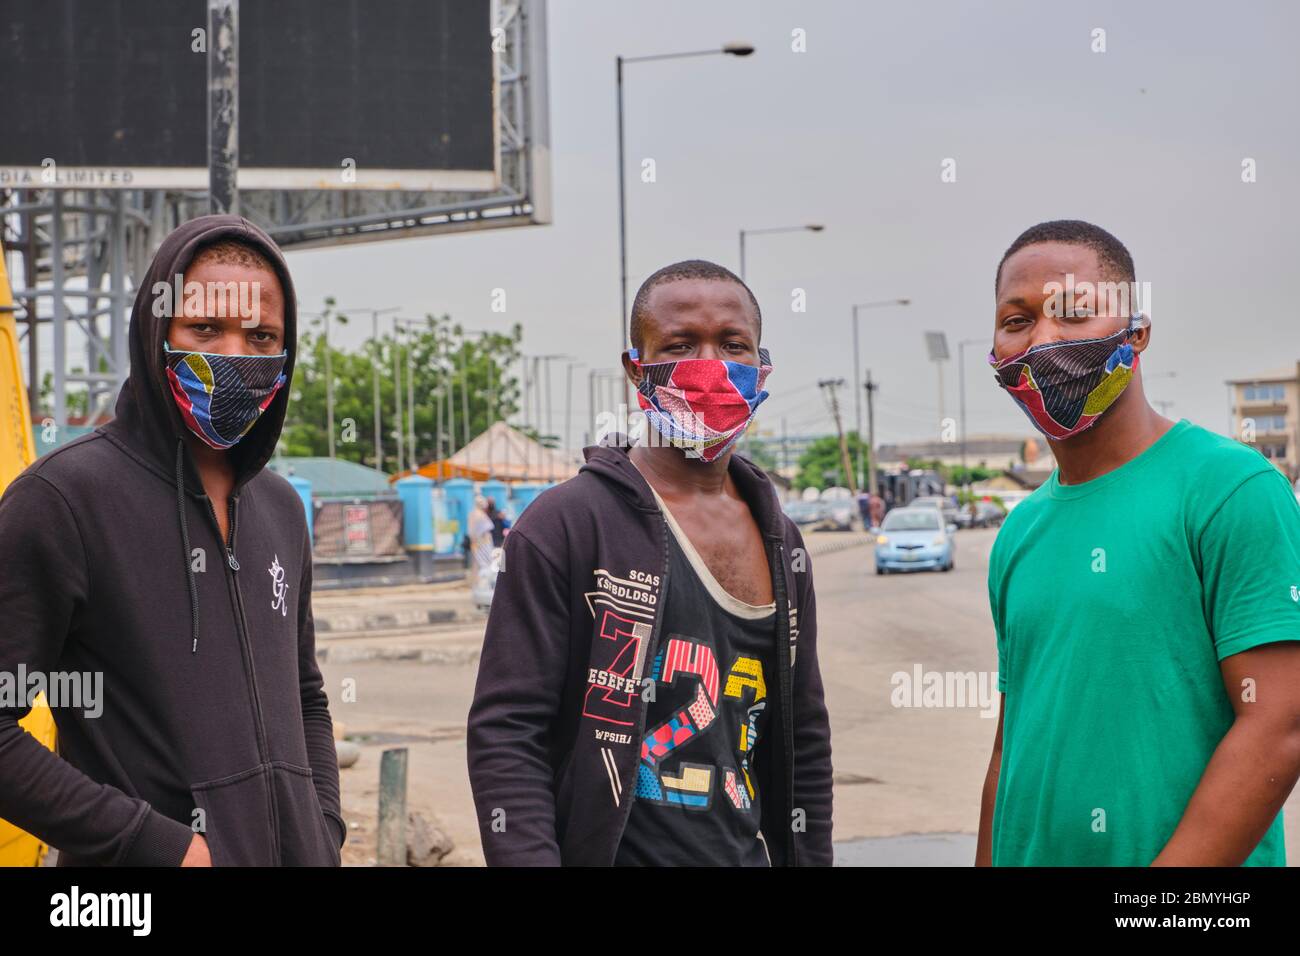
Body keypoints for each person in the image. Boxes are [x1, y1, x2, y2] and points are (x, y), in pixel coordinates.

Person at [0, 215, 344, 866]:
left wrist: (323, 832)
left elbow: (306, 695)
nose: (235, 357)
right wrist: (163, 849)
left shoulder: (280, 509)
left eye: (262, 335)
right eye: (207, 328)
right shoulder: (63, 501)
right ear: (157, 331)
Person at [467, 259, 833, 866]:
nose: (710, 366)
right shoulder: (564, 527)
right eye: (682, 344)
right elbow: (508, 734)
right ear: (636, 369)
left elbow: (803, 738)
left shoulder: (783, 545)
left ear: (761, 367)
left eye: (732, 344)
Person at [976, 219, 1300, 866]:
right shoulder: (1019, 532)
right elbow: (1011, 746)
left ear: (1137, 332)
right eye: (1017, 320)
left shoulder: (1230, 489)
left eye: (1073, 312)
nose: (1043, 338)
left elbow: (1278, 728)